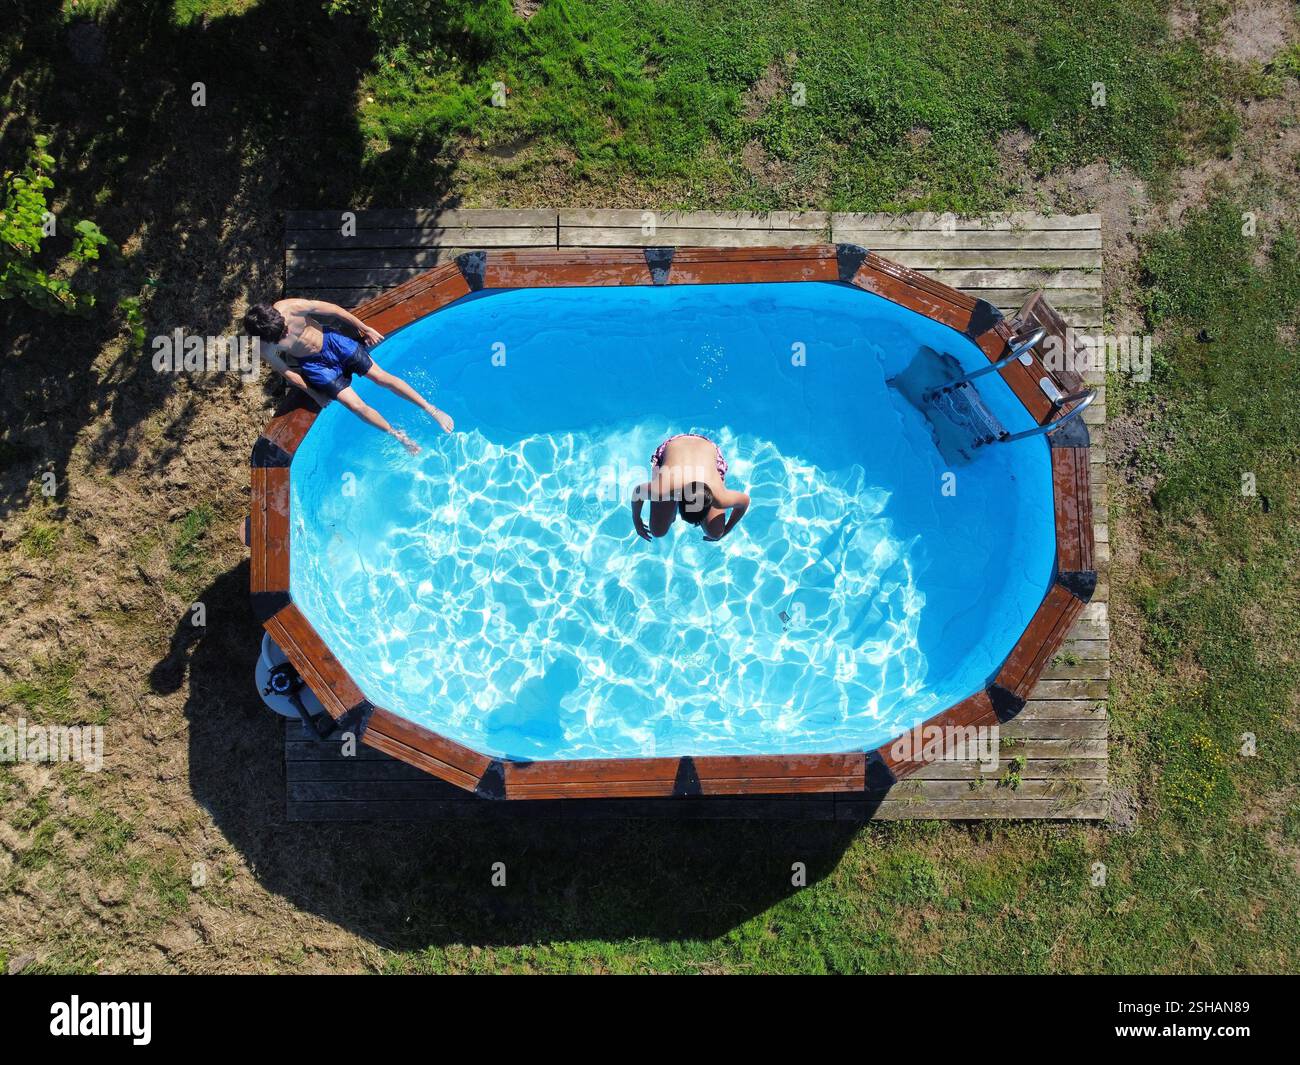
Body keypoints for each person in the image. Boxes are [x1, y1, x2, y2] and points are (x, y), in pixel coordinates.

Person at [242, 299, 453, 454]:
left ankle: (432, 410)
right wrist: (313, 393)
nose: (286, 334)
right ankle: (398, 436)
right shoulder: (265, 346)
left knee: (381, 378)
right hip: (316, 366)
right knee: (356, 406)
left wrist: (364, 328)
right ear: (267, 338)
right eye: (280, 336)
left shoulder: (291, 308)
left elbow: (333, 310)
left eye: (284, 328)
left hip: (332, 342)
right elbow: (287, 372)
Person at [632, 433, 749, 543]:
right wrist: (636, 520)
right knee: (657, 531)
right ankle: (670, 512)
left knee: (716, 533)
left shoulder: (719, 496)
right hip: (674, 446)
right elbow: (637, 492)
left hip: (706, 449)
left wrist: (726, 531)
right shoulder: (663, 490)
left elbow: (745, 501)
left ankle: (670, 511)